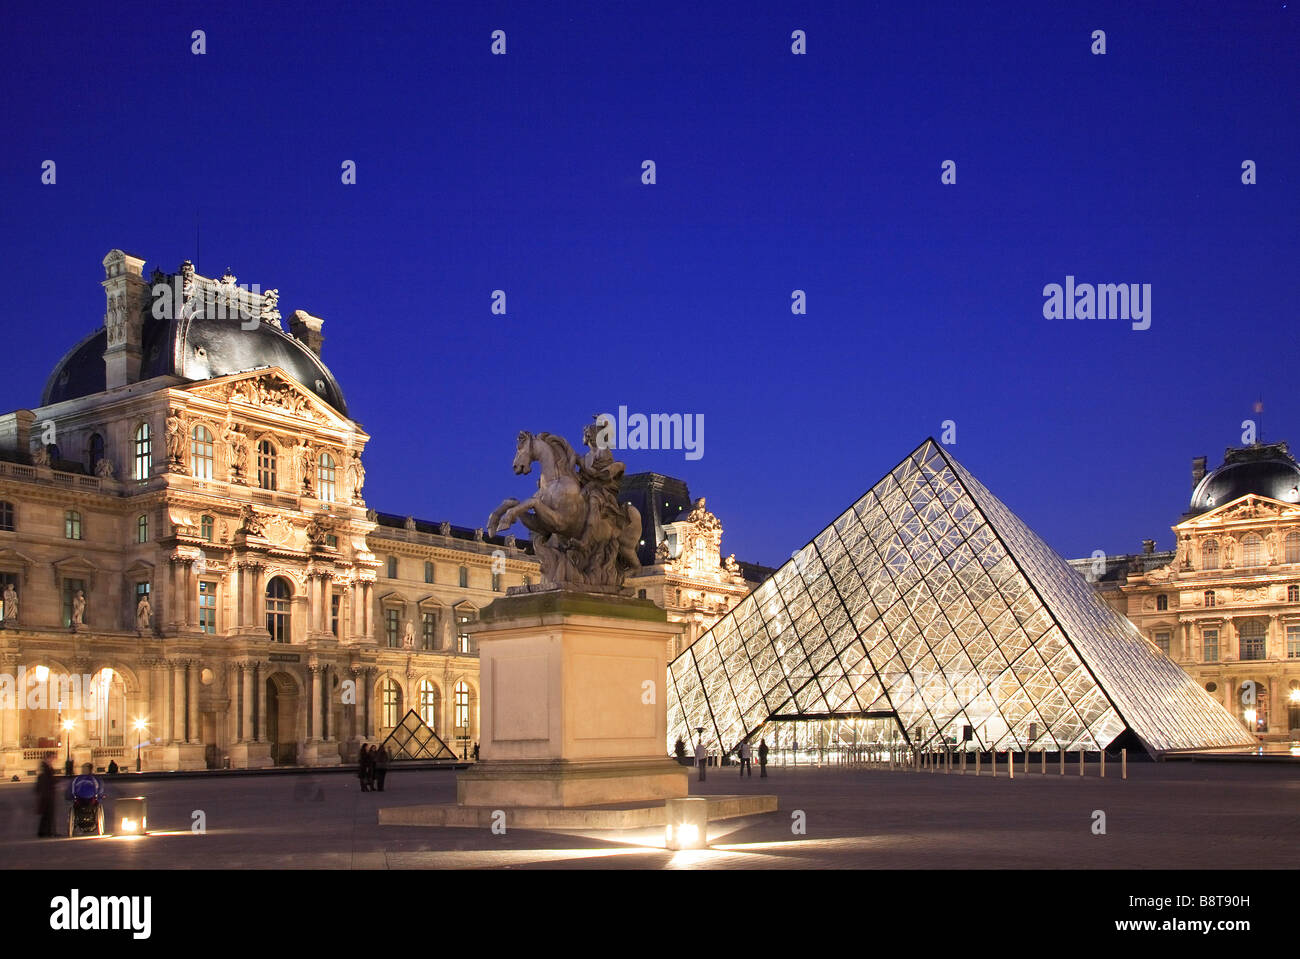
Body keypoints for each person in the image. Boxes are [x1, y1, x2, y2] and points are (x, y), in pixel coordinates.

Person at [34, 754, 56, 837]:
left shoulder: (45, 767)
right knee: (47, 814)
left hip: (47, 793)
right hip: (47, 794)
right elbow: (47, 780)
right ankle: (46, 832)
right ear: (48, 758)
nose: (53, 760)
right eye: (52, 758)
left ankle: (44, 832)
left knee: (46, 814)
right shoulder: (45, 768)